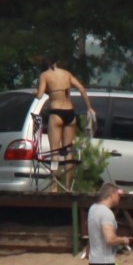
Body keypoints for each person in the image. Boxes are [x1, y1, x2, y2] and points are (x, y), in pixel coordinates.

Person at [35, 59, 94, 189]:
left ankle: (54, 186)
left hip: (56, 113)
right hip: (70, 113)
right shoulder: (66, 74)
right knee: (68, 151)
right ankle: (68, 186)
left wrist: (35, 92)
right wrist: (89, 108)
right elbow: (81, 89)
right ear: (57, 62)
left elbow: (39, 95)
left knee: (54, 152)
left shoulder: (45, 75)